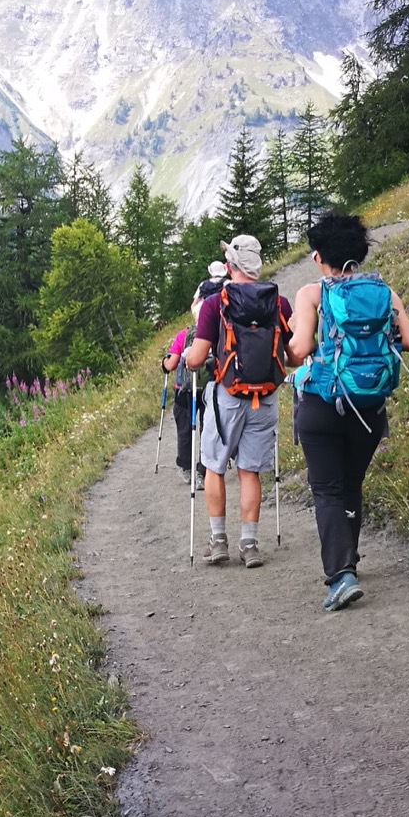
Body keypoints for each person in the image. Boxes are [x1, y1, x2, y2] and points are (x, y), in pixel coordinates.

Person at [288, 212, 409, 610]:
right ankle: (350, 558)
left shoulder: (312, 294)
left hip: (323, 404)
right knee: (350, 484)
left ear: (318, 257)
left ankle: (340, 575)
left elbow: (298, 350)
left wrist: (298, 332)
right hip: (370, 405)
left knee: (326, 489)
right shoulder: (384, 291)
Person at [182, 235, 290, 568]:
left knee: (214, 466)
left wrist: (187, 356)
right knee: (250, 471)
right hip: (265, 396)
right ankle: (250, 544)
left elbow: (197, 359)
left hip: (226, 395)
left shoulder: (216, 303)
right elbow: (293, 352)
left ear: (230, 266)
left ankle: (218, 541)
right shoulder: (279, 303)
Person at [160, 265, 226, 486]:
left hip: (184, 389)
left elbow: (171, 365)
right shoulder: (218, 331)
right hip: (209, 387)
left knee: (185, 430)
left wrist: (164, 362)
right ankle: (202, 470)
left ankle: (186, 467)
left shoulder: (184, 334)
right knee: (206, 429)